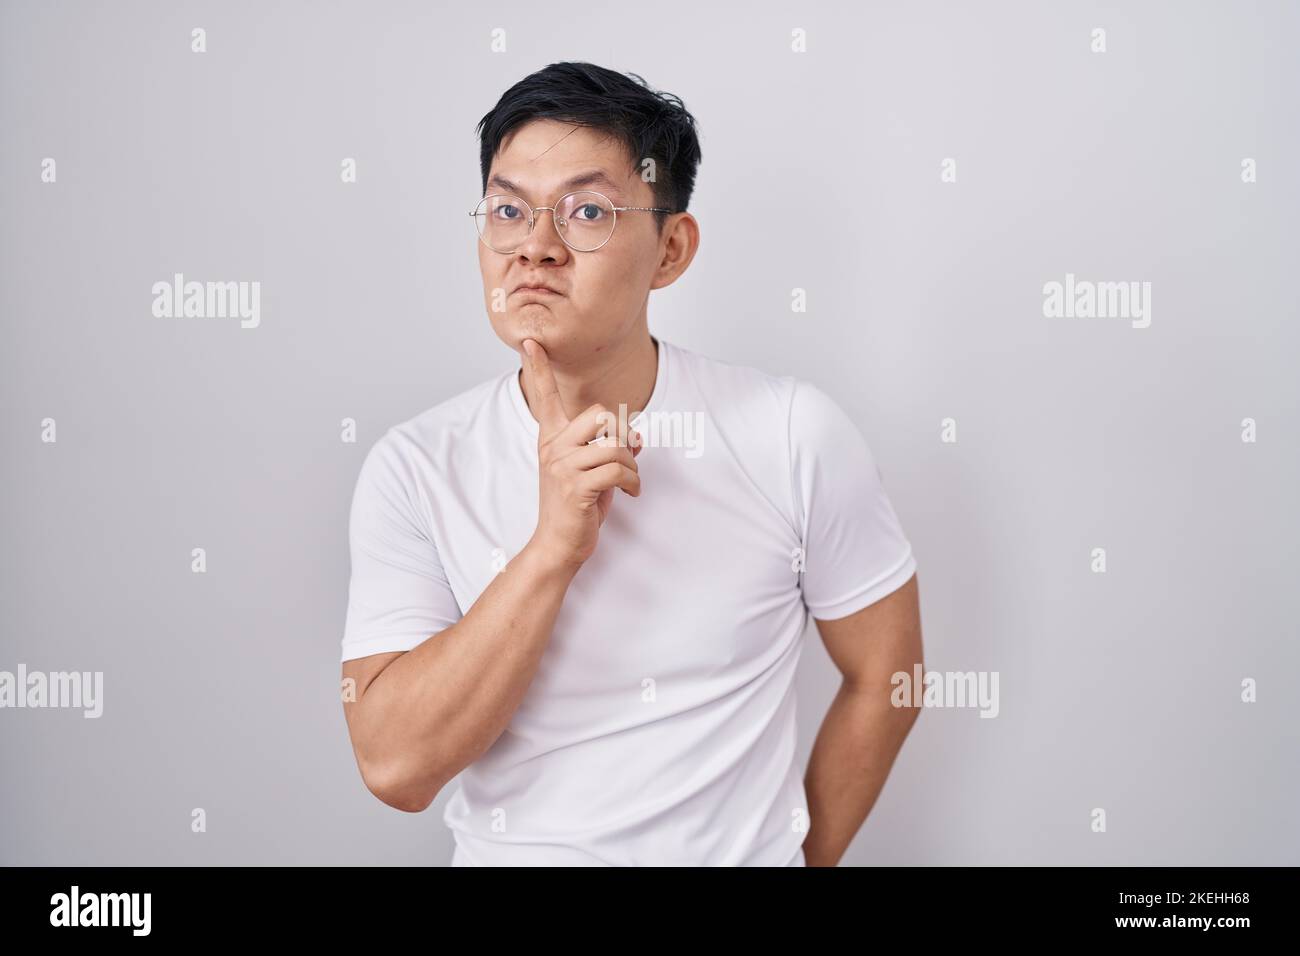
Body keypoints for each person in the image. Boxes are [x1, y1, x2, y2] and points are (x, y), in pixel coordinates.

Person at [339, 61, 923, 866]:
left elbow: (888, 674)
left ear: (671, 249)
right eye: (508, 209)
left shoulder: (789, 433)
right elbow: (395, 766)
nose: (535, 248)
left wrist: (804, 859)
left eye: (587, 211)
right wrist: (553, 548)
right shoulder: (413, 466)